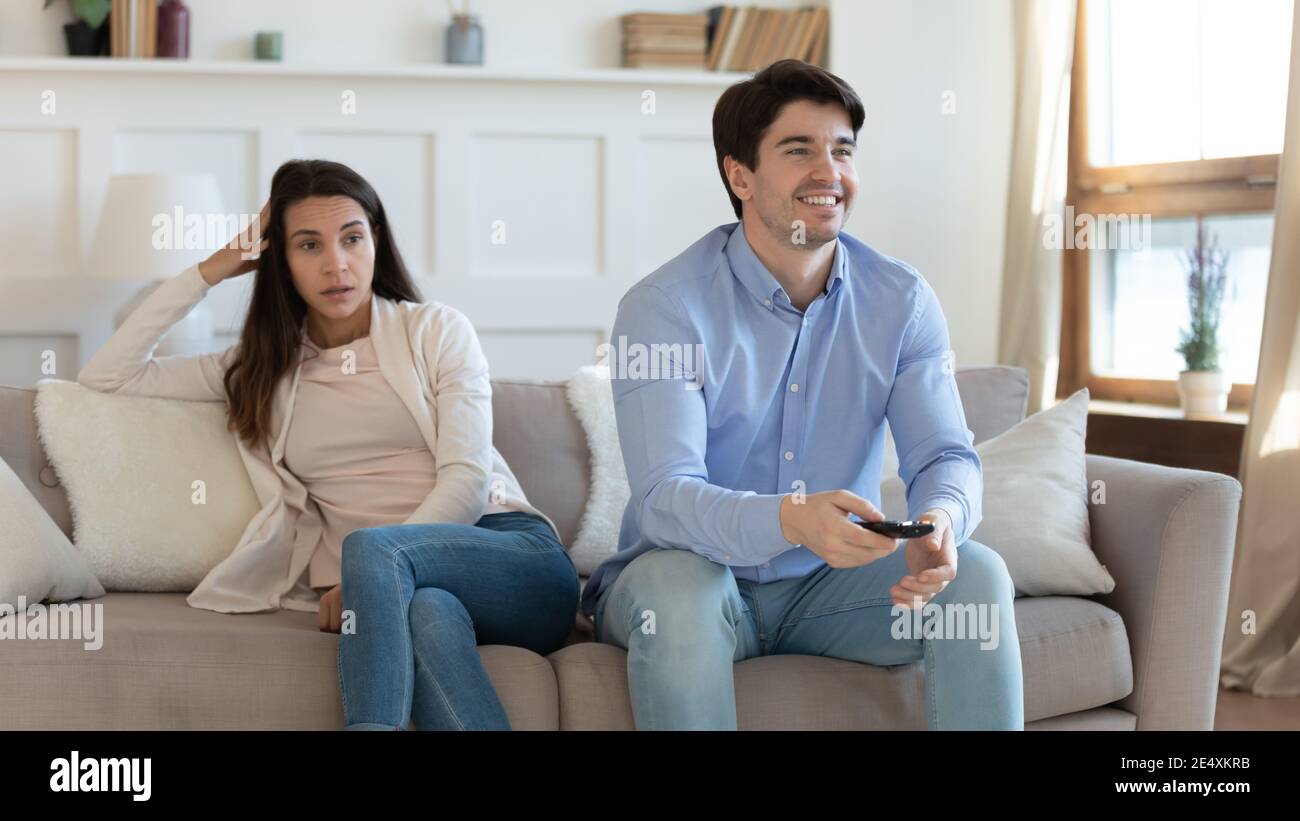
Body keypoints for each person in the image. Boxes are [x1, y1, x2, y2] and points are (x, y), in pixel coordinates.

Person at [581, 59, 1024, 730]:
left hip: (828, 590)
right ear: (740, 176)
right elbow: (666, 499)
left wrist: (942, 521)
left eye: (842, 150)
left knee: (980, 578)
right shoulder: (664, 308)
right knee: (680, 590)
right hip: (686, 577)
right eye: (800, 150)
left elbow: (944, 457)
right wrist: (789, 519)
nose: (830, 172)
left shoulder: (901, 301)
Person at [78, 159, 578, 730]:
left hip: (510, 557)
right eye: (309, 245)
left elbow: (465, 482)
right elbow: (109, 375)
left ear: (376, 242)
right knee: (429, 614)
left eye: (351, 239)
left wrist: (371, 575)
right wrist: (213, 269)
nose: (336, 264)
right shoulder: (259, 369)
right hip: (410, 592)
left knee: (372, 550)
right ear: (280, 260)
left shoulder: (437, 331)